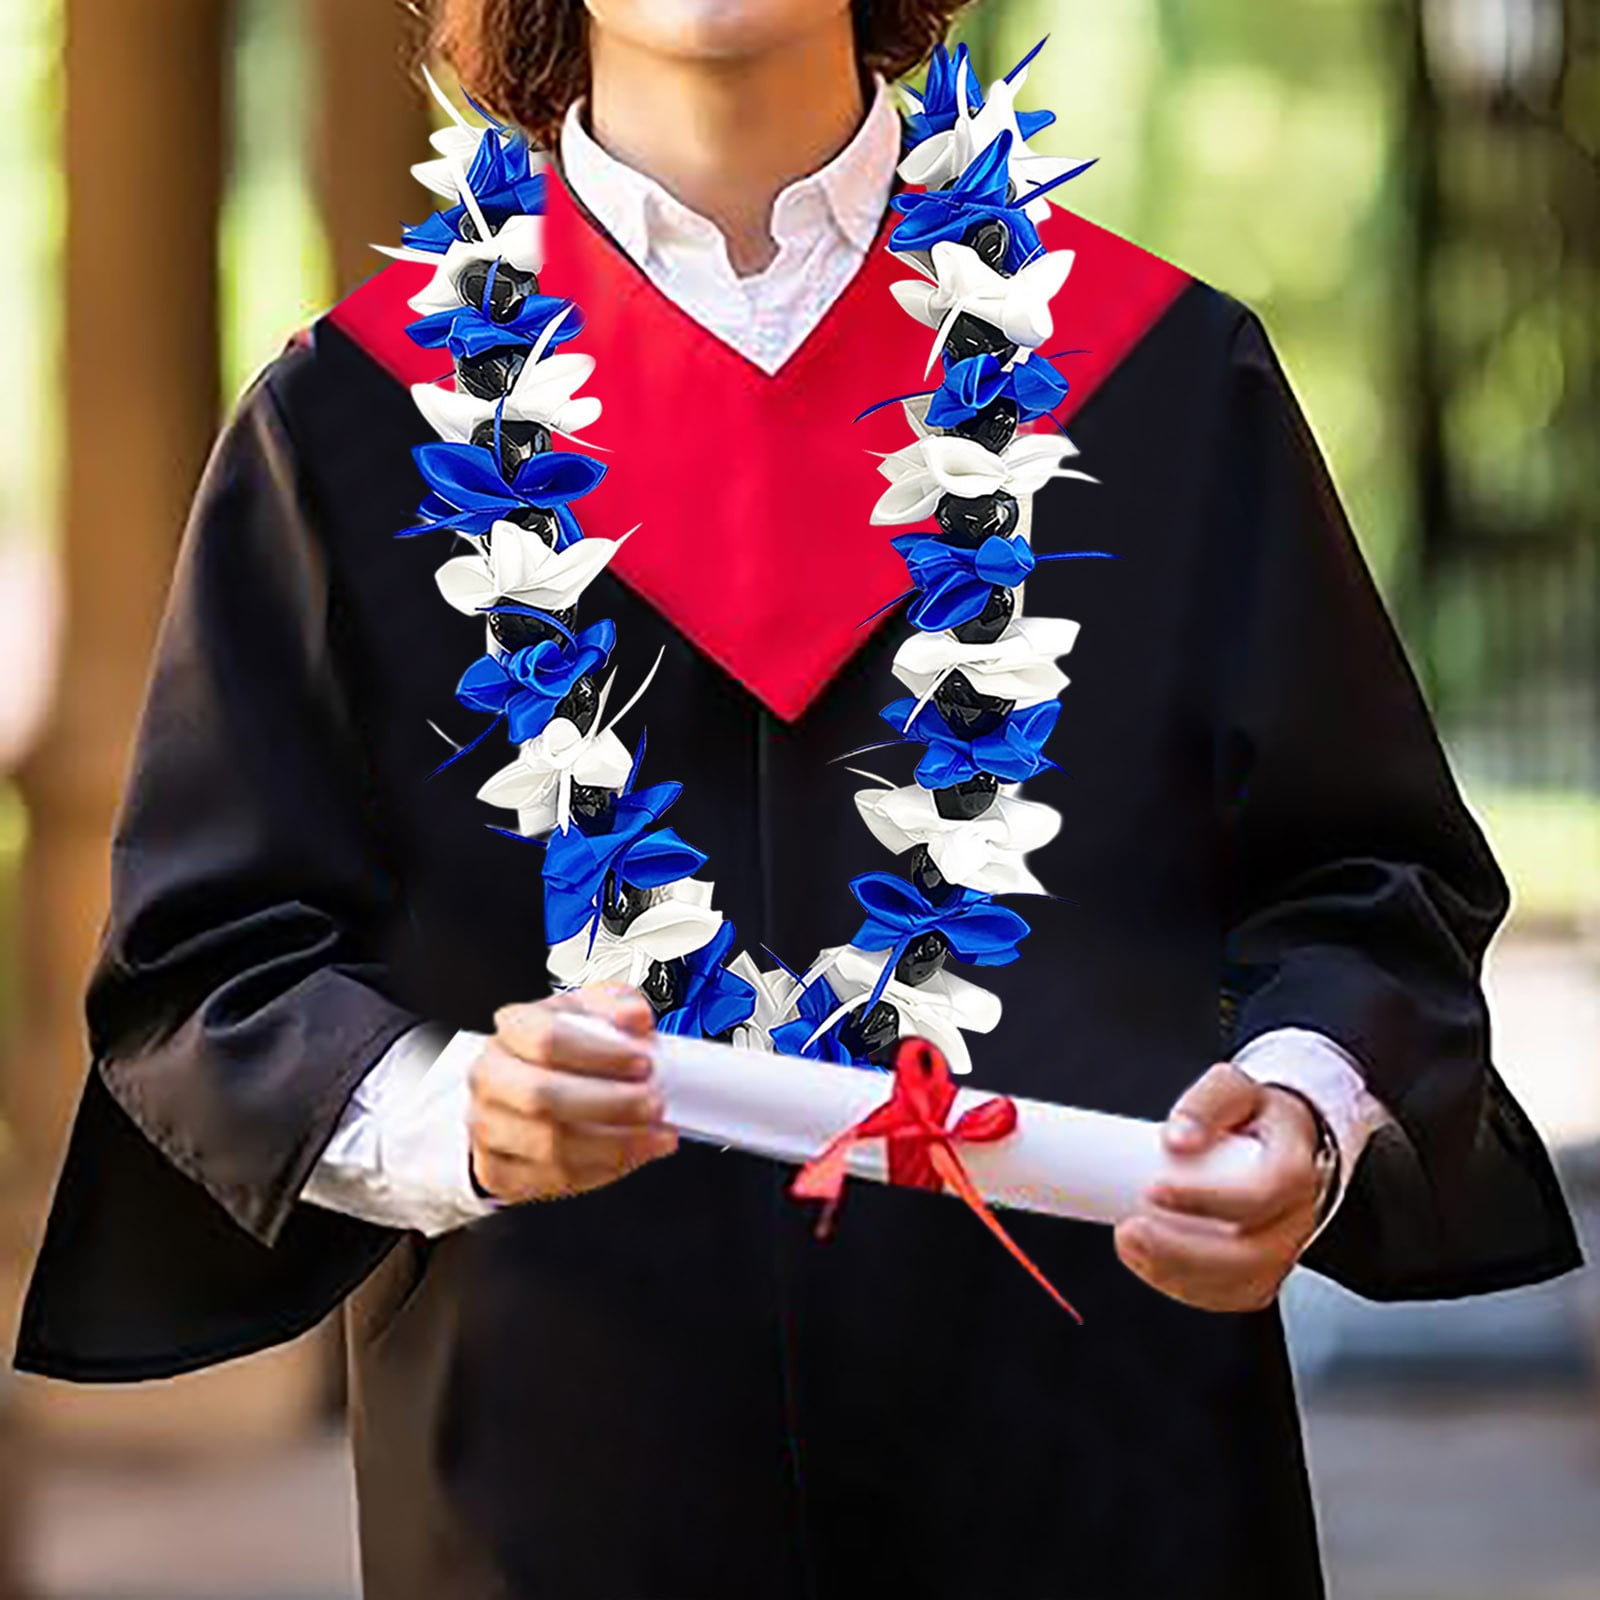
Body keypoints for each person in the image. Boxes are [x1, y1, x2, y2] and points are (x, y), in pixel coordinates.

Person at [15, 3, 1582, 1597]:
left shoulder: (1161, 381)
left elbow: (1369, 887)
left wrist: (1305, 1119)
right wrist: (453, 1118)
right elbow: (209, 978)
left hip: (1110, 1489)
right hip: (565, 1501)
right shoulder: (351, 428)